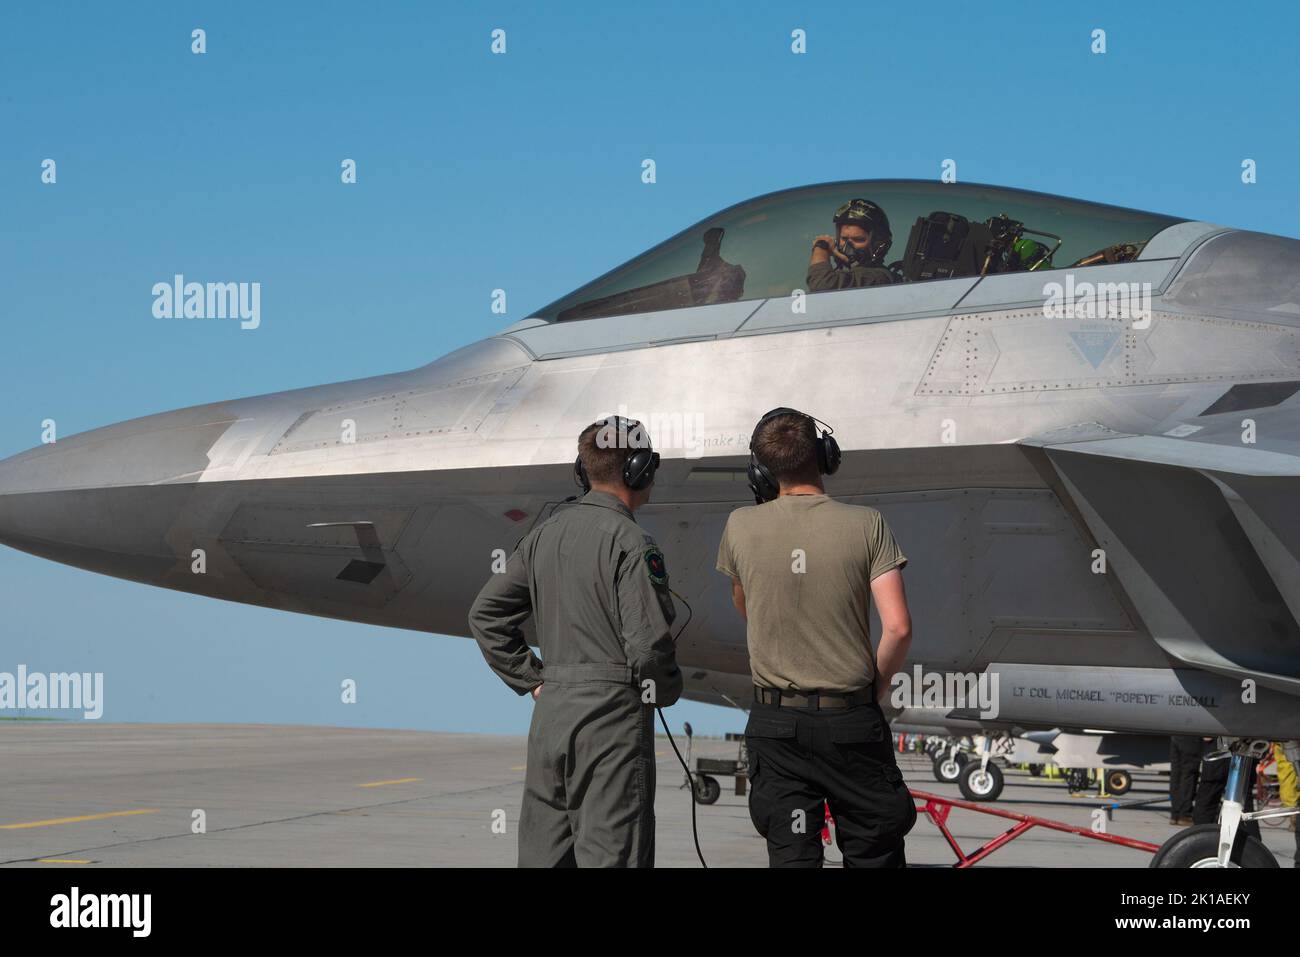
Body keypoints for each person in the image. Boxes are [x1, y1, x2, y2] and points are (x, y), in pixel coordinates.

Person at [468, 416, 683, 867]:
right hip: (611, 724)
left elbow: (485, 614)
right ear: (639, 469)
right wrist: (665, 689)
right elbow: (647, 649)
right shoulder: (631, 541)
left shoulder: (542, 535)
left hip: (551, 720)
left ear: (582, 471)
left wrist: (534, 680)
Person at [716, 407, 916, 867]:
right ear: (826, 456)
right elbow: (899, 627)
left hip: (776, 724)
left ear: (762, 469)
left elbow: (747, 606)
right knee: (875, 851)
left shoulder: (740, 526)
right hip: (850, 722)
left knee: (792, 856)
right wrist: (873, 688)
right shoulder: (869, 524)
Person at [806, 199, 895, 291]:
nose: (847, 246)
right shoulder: (850, 277)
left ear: (877, 244)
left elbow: (822, 284)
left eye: (858, 239)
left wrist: (821, 246)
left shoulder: (878, 278)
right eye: (844, 239)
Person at [1168, 735, 1205, 826]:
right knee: (1188, 776)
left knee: (1176, 774)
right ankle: (1184, 814)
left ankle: (1175, 814)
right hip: (1191, 735)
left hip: (1178, 733)